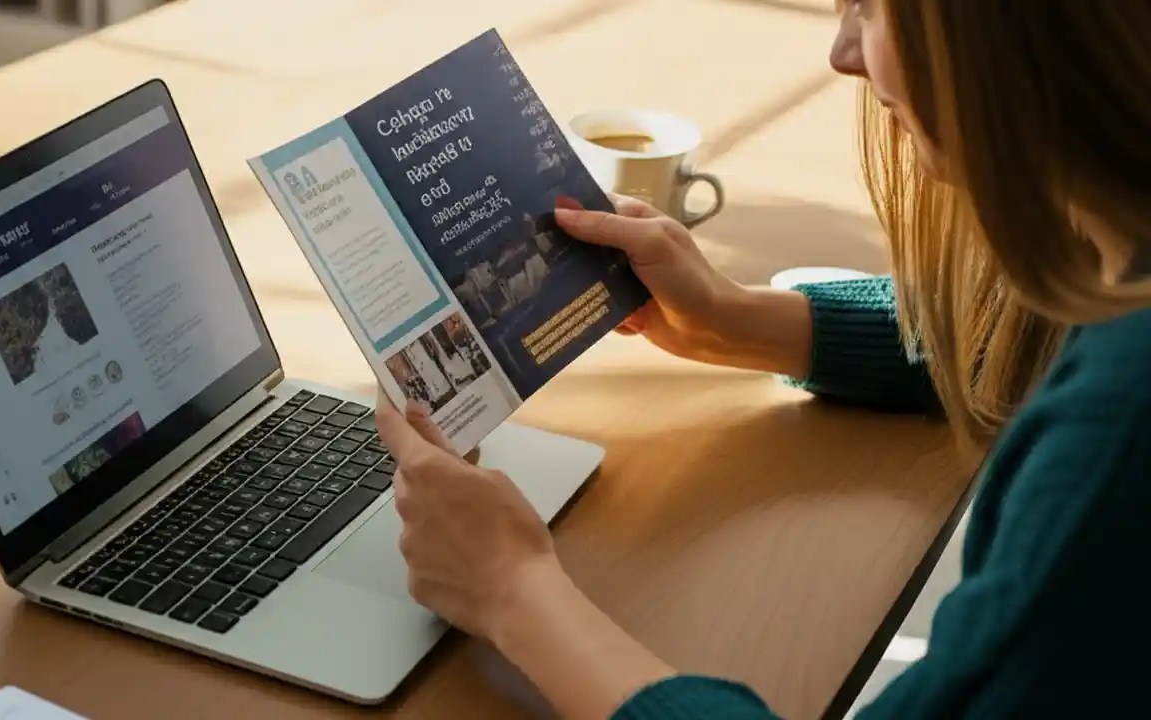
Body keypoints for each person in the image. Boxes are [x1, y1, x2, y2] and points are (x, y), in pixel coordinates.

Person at [374, 1, 1151, 717]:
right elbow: (1039, 340)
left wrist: (516, 593)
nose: (842, 52)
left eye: (873, 7)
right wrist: (737, 320)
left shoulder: (1122, 426)